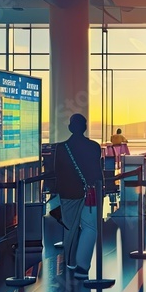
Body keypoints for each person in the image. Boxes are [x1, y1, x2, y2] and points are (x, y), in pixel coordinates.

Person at [53, 114, 103, 279]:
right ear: (85, 127)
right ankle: (83, 266)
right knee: (90, 228)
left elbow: (58, 173)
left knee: (71, 228)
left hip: (69, 193)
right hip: (91, 192)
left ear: (70, 127)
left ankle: (70, 263)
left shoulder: (61, 148)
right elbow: (97, 171)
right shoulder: (94, 146)